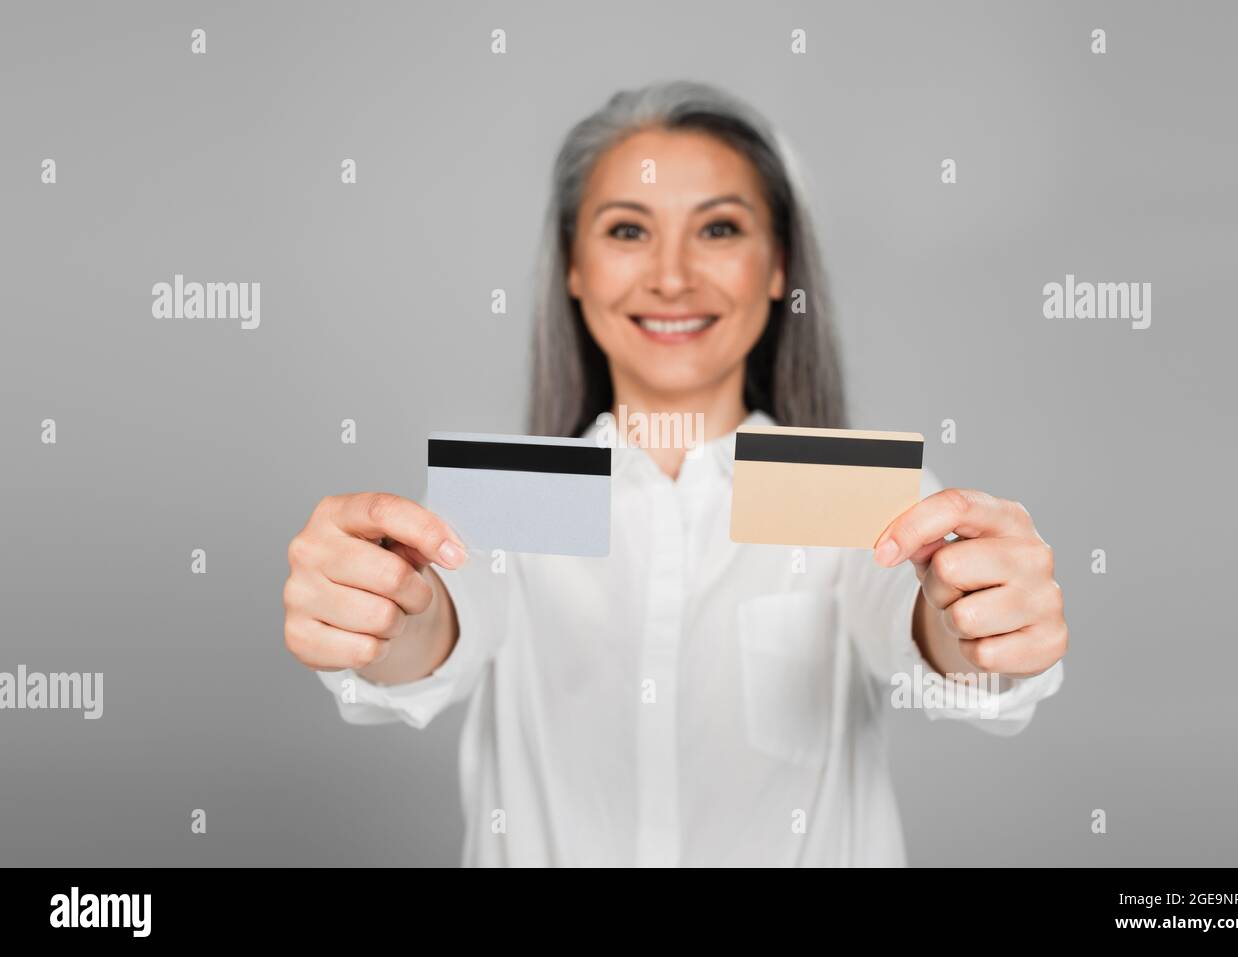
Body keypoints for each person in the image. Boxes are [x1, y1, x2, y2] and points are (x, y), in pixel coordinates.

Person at [282, 80, 1067, 866]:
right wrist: (378, 610)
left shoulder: (847, 492)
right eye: (627, 230)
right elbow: (433, 624)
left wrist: (979, 618)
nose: (671, 277)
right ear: (574, 268)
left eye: (719, 228)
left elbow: (930, 626)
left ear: (776, 266)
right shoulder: (515, 495)